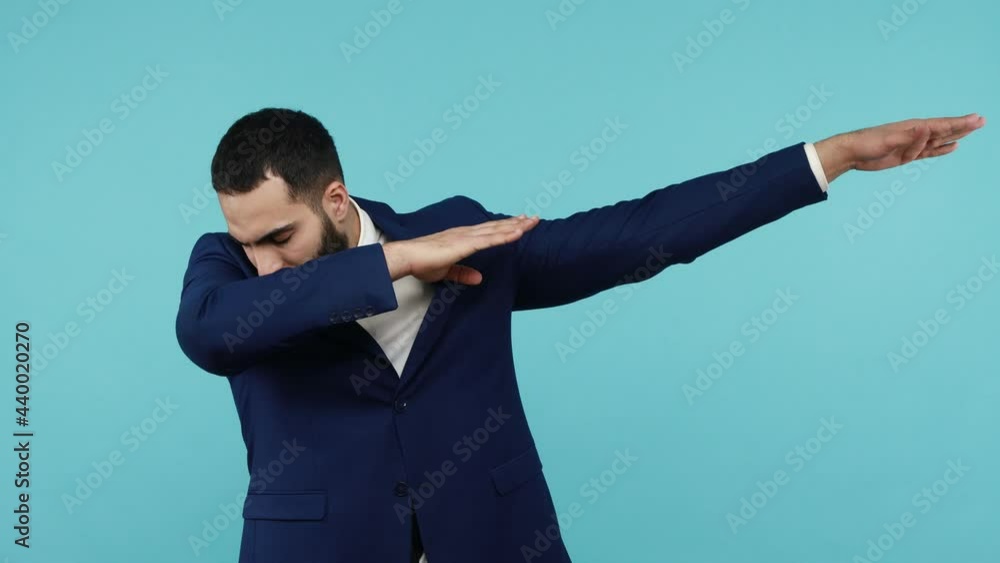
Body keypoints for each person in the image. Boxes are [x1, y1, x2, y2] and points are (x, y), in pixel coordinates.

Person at [174, 107, 984, 563]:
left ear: (337, 200)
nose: (261, 259)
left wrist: (825, 159)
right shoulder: (227, 272)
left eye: (278, 236)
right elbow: (210, 335)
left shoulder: (465, 235)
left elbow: (632, 237)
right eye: (245, 238)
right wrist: (397, 263)